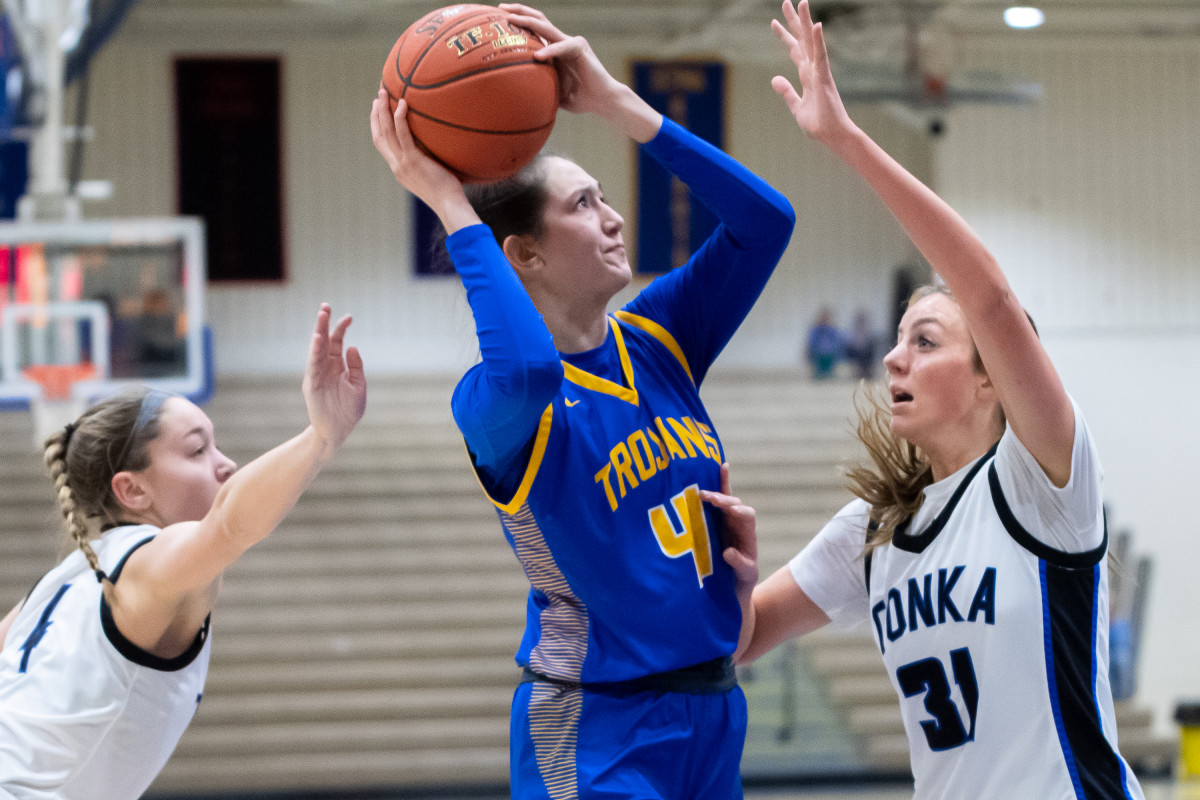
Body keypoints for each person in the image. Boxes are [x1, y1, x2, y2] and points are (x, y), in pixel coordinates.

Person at [723, 3, 1147, 798]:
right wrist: (726, 567)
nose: (893, 356)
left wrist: (846, 143)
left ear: (990, 376)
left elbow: (989, 296)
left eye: (925, 339)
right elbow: (741, 638)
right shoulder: (876, 529)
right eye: (900, 338)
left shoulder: (1040, 484)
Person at [370, 4, 794, 796]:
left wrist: (622, 108)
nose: (614, 217)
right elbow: (533, 366)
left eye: (604, 197)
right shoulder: (494, 402)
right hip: (596, 726)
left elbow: (765, 222)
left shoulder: (661, 337)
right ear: (521, 254)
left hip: (711, 710)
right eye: (583, 205)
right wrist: (448, 201)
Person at [0, 303, 366, 799]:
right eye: (198, 450)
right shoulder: (148, 561)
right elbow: (231, 523)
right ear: (132, 491)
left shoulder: (60, 582)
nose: (226, 464)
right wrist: (320, 439)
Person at [805, 306, 842, 379]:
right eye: (823, 317)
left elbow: (837, 343)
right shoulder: (815, 330)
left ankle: (828, 373)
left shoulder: (833, 330)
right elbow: (811, 343)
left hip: (830, 355)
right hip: (818, 355)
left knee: (830, 355)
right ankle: (819, 373)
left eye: (827, 317)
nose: (825, 320)